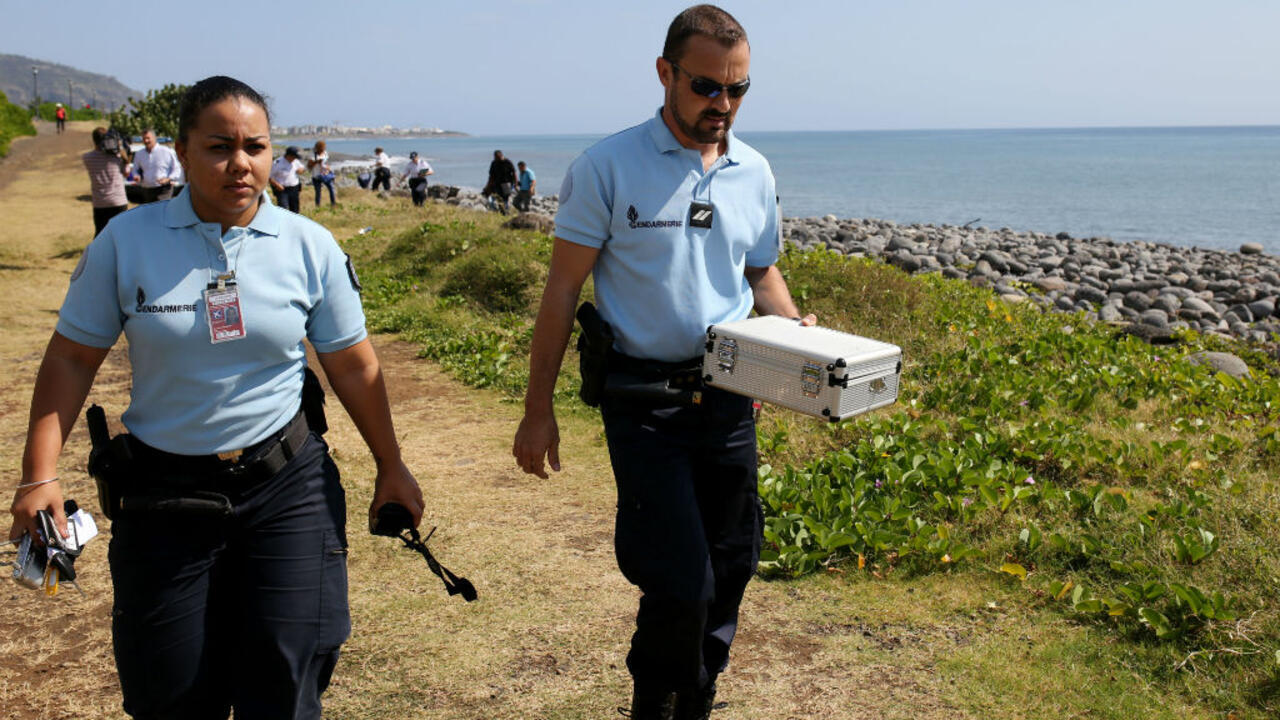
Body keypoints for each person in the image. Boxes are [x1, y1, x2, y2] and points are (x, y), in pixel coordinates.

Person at [6, 75, 425, 719]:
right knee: (170, 693)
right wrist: (39, 475)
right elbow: (71, 357)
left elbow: (353, 365)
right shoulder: (126, 241)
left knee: (288, 682)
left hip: (287, 487)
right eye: (219, 147)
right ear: (181, 151)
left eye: (255, 147)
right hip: (163, 495)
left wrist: (390, 465)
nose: (240, 164)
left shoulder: (309, 245)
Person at [512, 6, 813, 719]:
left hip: (730, 397)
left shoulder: (753, 170)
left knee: (732, 564)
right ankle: (654, 697)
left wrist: (797, 338)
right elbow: (562, 291)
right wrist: (537, 409)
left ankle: (695, 698)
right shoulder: (607, 167)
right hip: (644, 402)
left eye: (738, 89)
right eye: (706, 87)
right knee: (680, 577)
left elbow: (760, 271)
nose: (723, 104)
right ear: (665, 74)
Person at [82, 127, 129, 235]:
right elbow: (126, 173)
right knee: (121, 233)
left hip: (100, 202)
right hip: (118, 200)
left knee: (101, 234)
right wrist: (122, 152)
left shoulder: (87, 158)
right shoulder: (116, 157)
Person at [134, 128, 180, 203]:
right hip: (147, 190)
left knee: (162, 209)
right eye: (144, 139)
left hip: (164, 189)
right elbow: (135, 169)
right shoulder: (139, 154)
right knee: (150, 210)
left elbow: (177, 169)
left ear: (154, 138)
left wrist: (168, 179)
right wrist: (136, 175)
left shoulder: (167, 151)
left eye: (148, 138)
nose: (146, 141)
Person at [269, 145, 306, 213]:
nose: (295, 159)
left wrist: (301, 170)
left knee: (295, 209)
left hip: (294, 188)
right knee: (283, 209)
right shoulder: (277, 163)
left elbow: (302, 168)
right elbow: (269, 177)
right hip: (282, 189)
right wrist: (277, 185)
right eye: (294, 157)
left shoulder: (296, 161)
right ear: (289, 155)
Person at [482, 149, 517, 214]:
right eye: (495, 157)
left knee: (505, 198)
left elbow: (514, 172)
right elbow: (491, 175)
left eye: (498, 157)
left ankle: (505, 211)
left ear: (501, 155)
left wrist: (515, 183)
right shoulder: (494, 163)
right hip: (497, 183)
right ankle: (502, 211)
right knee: (498, 197)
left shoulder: (508, 162)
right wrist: (488, 185)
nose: (496, 158)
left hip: (507, 183)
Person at [308, 139, 337, 207]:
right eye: (321, 148)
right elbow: (309, 166)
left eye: (324, 148)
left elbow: (326, 163)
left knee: (331, 188)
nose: (323, 149)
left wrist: (328, 168)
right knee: (318, 192)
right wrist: (316, 162)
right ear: (317, 148)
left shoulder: (325, 153)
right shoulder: (313, 155)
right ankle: (318, 206)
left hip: (325, 174)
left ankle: (333, 204)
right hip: (316, 176)